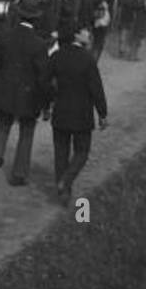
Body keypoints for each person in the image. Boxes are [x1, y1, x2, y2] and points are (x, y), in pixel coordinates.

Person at [0, 0, 50, 187]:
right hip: (28, 95)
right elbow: (43, 76)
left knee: (2, 127)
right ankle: (19, 173)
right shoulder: (39, 44)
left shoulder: (6, 36)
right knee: (26, 133)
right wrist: (46, 102)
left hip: (5, 89)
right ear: (37, 19)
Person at [46, 26, 108, 205]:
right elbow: (96, 89)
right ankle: (66, 181)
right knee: (82, 152)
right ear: (76, 36)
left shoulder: (57, 56)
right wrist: (102, 113)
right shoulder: (88, 60)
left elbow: (46, 82)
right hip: (82, 114)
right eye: (85, 32)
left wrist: (47, 105)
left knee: (61, 152)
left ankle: (63, 191)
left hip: (61, 112)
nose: (88, 35)